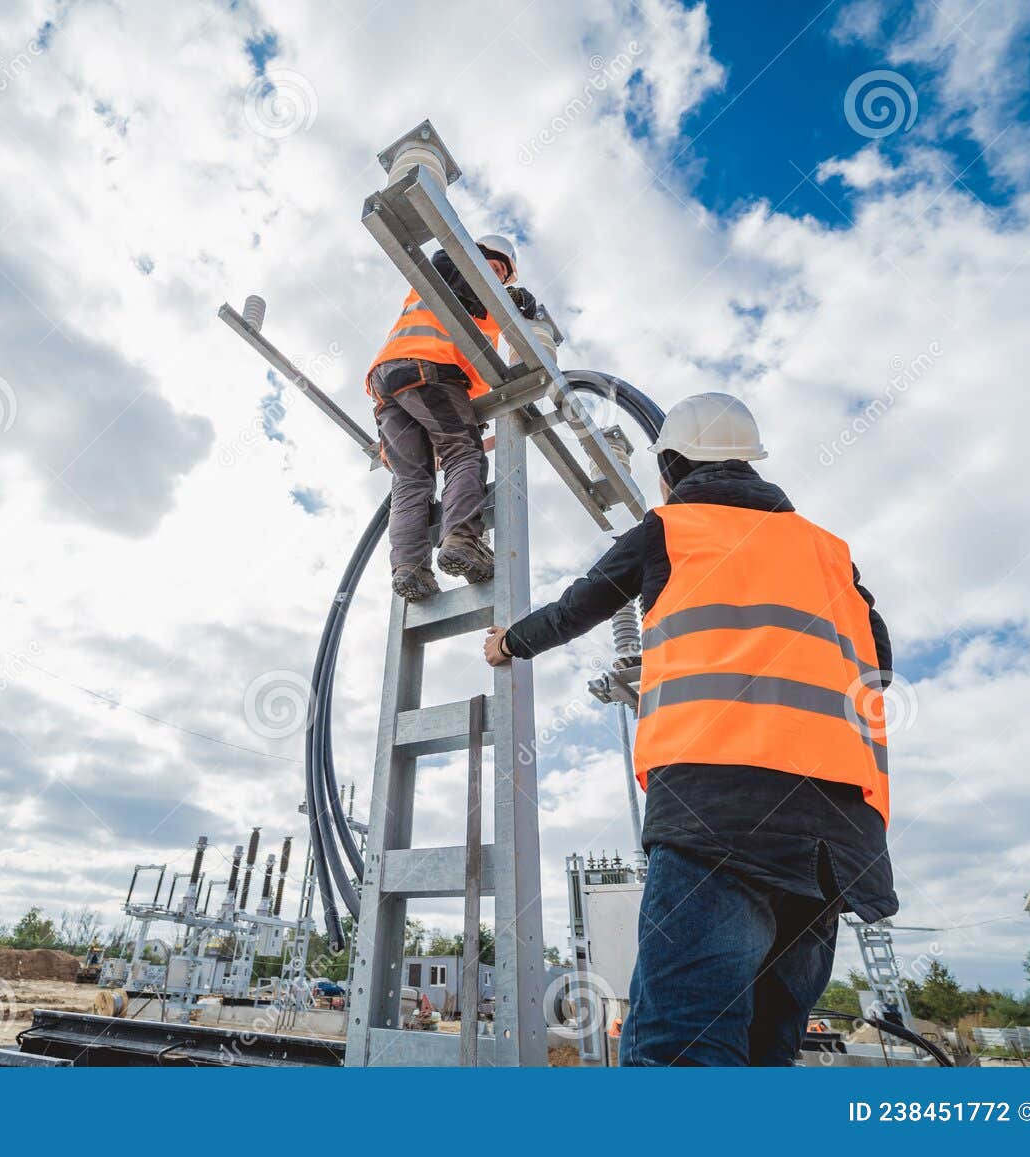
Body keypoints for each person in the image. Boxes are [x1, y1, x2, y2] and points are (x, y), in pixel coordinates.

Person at [482, 393, 896, 1067]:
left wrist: (510, 643)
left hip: (718, 818)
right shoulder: (827, 550)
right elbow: (879, 663)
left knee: (684, 1052)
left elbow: (574, 609)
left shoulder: (669, 528)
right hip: (833, 844)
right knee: (767, 1053)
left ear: (670, 466)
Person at [366, 234, 538, 601]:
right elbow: (452, 266)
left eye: (501, 274)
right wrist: (508, 298)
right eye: (491, 266)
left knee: (411, 480)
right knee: (465, 455)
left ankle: (410, 569)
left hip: (393, 381)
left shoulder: (477, 308)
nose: (494, 276)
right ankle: (462, 540)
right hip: (427, 368)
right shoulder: (450, 269)